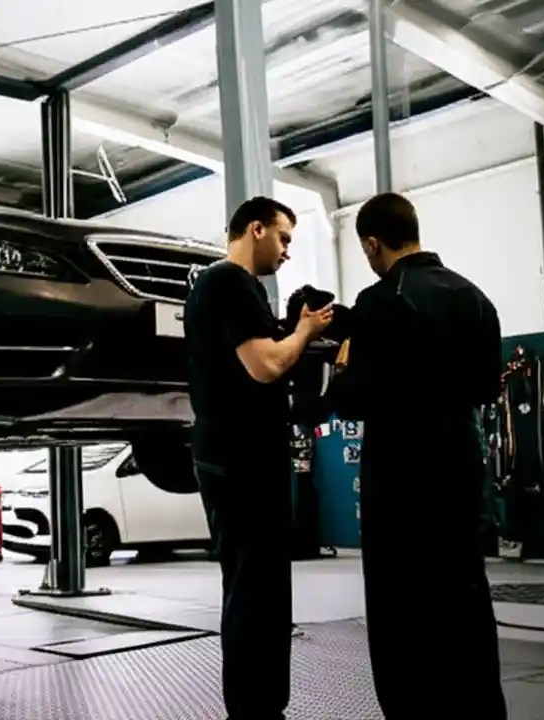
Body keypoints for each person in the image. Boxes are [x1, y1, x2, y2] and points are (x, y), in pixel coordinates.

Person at [327, 192, 507, 719]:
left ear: (372, 243)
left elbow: (353, 397)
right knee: (464, 594)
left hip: (399, 476)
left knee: (398, 606)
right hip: (458, 466)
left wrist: (339, 367)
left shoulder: (380, 302)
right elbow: (485, 387)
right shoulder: (475, 297)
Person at [184, 196, 334, 719]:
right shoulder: (229, 282)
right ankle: (257, 709)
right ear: (256, 229)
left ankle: (258, 706)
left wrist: (292, 329)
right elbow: (266, 366)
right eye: (285, 237)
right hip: (241, 460)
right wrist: (305, 332)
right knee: (257, 591)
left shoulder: (219, 287)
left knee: (255, 586)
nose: (288, 250)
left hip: (235, 454)